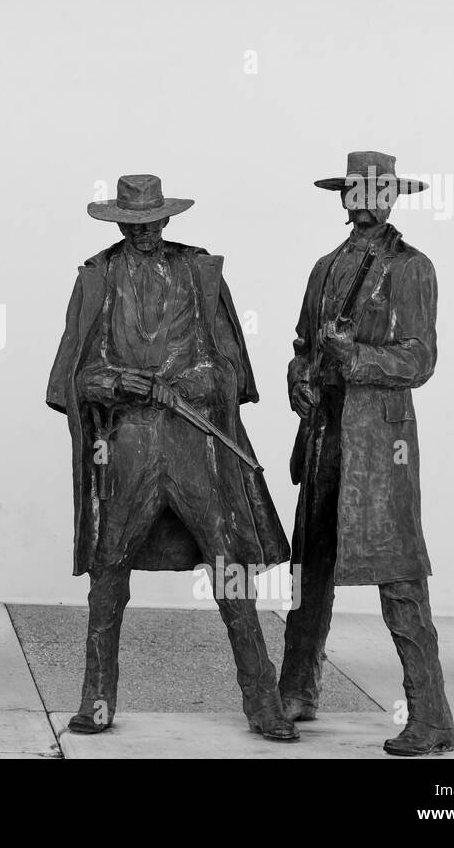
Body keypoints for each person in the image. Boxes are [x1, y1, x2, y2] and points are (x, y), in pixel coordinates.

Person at [46, 174, 295, 740]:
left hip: (195, 445)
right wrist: (118, 383)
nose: (142, 234)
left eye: (151, 223)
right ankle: (97, 700)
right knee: (109, 572)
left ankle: (263, 702)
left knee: (231, 569)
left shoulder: (199, 274)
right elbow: (75, 378)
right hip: (128, 447)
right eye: (131, 226)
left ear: (166, 220)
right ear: (119, 225)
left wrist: (191, 380)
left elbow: (233, 372)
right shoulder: (96, 278)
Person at [280, 151, 454, 756]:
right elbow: (302, 343)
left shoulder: (412, 267)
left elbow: (419, 359)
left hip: (381, 447)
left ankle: (431, 717)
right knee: (311, 567)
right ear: (344, 196)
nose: (366, 200)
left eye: (378, 191)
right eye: (357, 190)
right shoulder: (325, 267)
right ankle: (296, 690)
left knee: (399, 574)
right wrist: (300, 376)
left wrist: (354, 359)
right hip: (326, 434)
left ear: (392, 198)